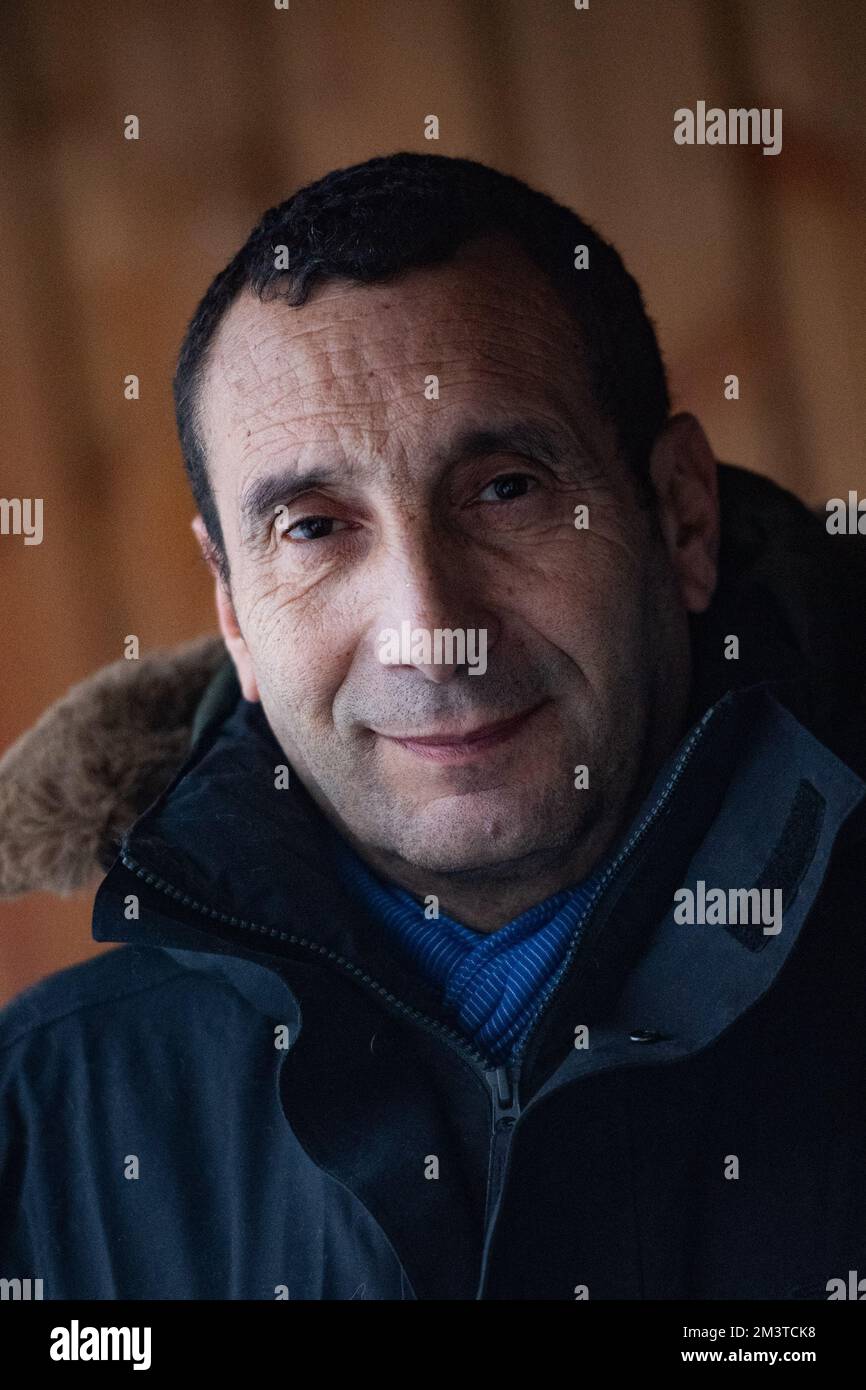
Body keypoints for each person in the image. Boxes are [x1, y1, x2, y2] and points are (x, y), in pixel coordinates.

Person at [2, 151, 865, 1301]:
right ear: (233, 616)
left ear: (680, 516)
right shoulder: (43, 1116)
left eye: (503, 489)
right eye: (313, 528)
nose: (427, 629)